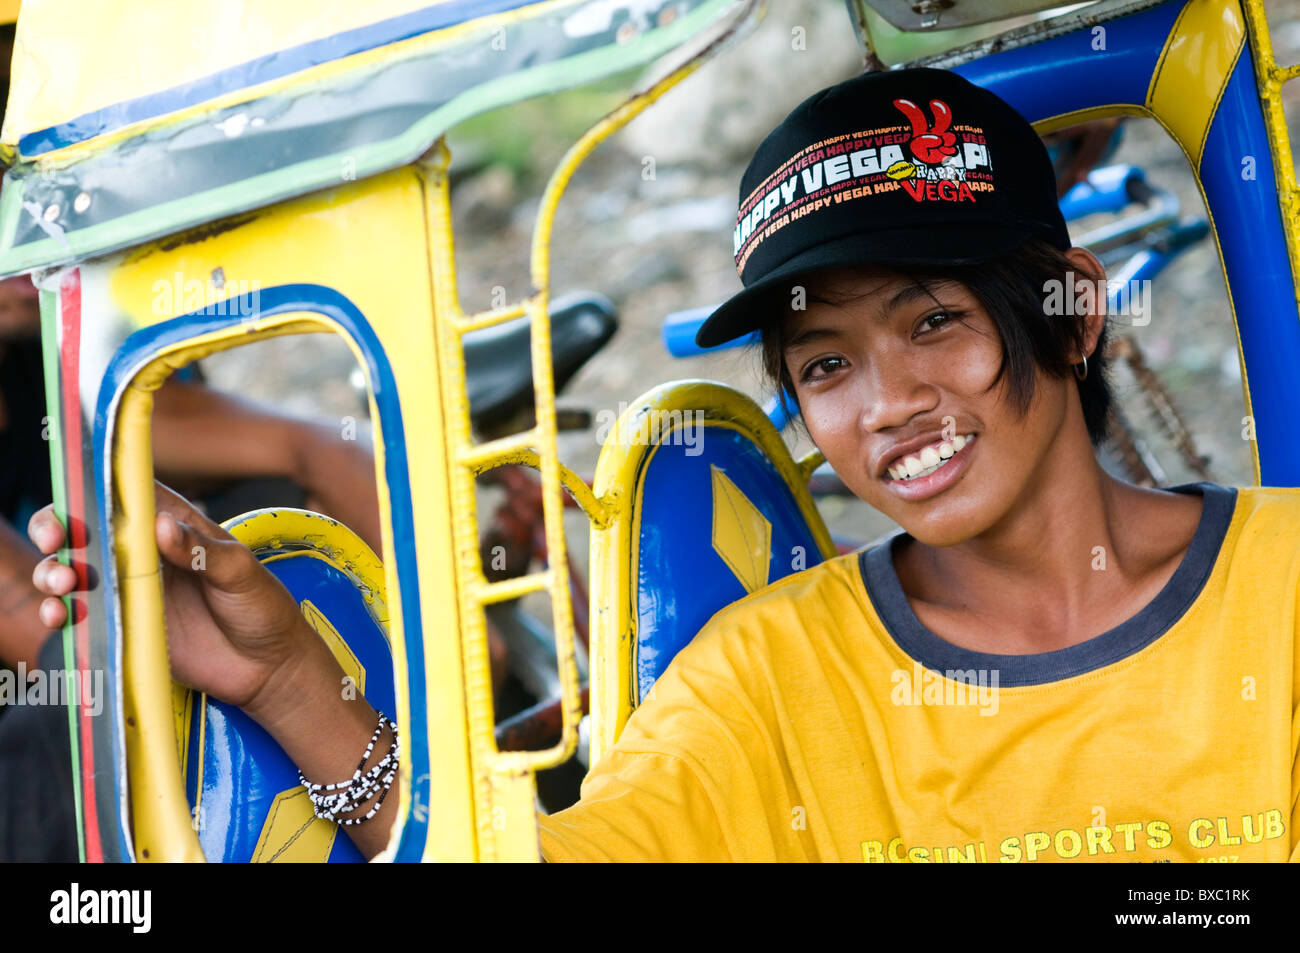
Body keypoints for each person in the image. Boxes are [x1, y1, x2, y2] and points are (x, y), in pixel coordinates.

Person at [26, 67, 1300, 862]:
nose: (890, 405)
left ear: (1069, 311)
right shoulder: (767, 673)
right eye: (823, 365)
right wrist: (291, 679)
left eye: (934, 322)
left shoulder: (1282, 584)